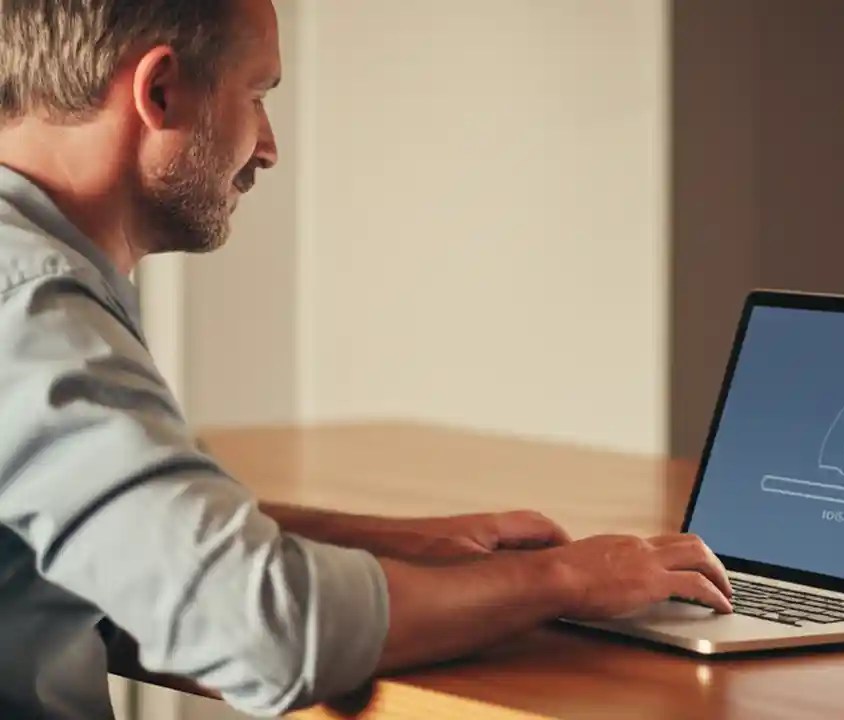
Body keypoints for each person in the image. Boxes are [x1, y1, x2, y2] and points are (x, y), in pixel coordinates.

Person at [0, 1, 733, 716]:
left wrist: (400, 546)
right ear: (159, 91)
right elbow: (260, 630)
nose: (268, 146)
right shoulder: (37, 310)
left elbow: (129, 549)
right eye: (256, 95)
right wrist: (560, 580)